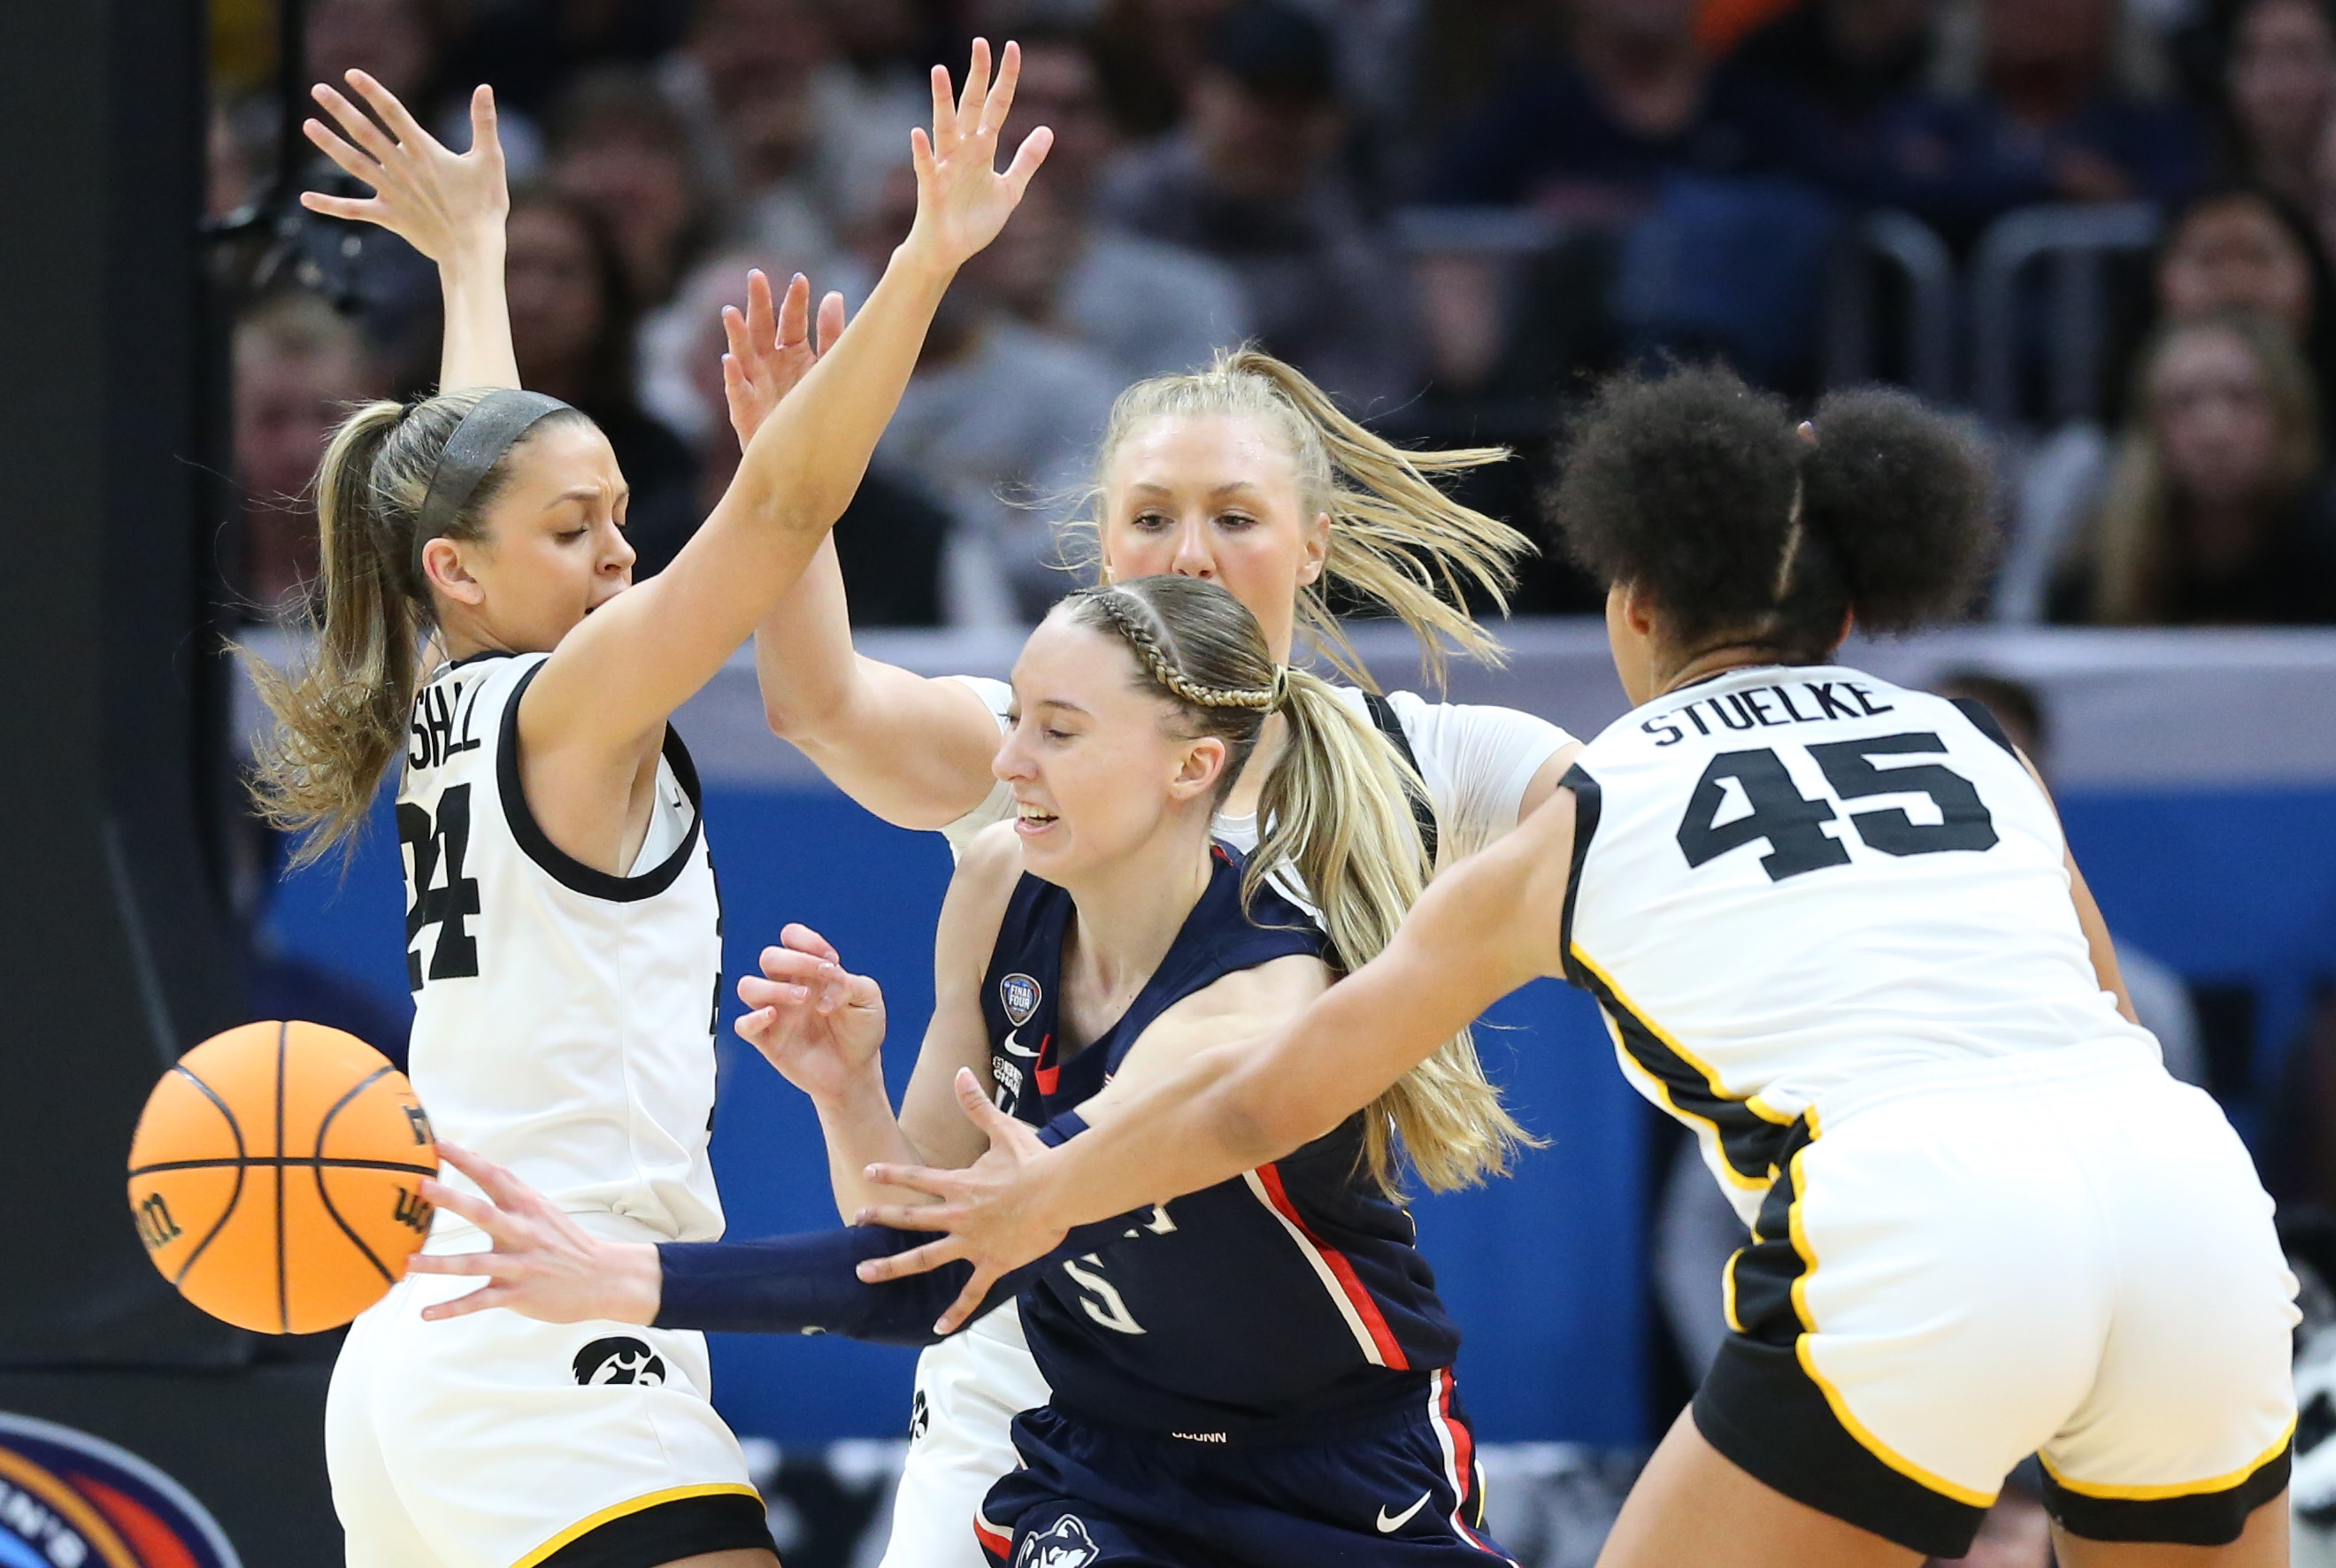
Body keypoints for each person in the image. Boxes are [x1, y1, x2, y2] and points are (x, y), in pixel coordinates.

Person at [860, 365, 2300, 1568]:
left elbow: (1262, 1101)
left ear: (1630, 604)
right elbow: (2112, 1018)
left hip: (1927, 1211)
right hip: (2188, 1202)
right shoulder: (1976, 744)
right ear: (1851, 619)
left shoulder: (1594, 806)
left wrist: (1046, 1186)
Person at [258, 49, 1050, 1568]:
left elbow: (477, 481)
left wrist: (469, 261)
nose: (619, 555)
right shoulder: (571, 701)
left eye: (624, 516)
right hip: (555, 1329)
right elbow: (778, 512)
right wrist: (922, 263)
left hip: (427, 1340)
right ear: (464, 573)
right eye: (582, 530)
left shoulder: (460, 682)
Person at [406, 573, 1533, 1567]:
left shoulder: (1251, 1002)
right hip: (1109, 1465)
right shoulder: (998, 887)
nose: (1008, 762)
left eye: (1057, 730)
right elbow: (914, 1265)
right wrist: (847, 1088)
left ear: (1193, 766)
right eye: (1016, 719)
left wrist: (631, 1278)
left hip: (1335, 1467)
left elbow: (968, 1260)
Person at [734, 345, 1577, 1562]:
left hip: (1283, 1380)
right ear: (1103, 544)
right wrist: (790, 480)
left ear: (1315, 543)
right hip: (1034, 1374)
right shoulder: (1028, 734)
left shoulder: (1433, 761)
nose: (1191, 553)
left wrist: (1764, 591)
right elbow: (819, 704)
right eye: (1151, 517)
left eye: (1236, 517)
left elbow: (1653, 821)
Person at [2052, 309, 2336, 624]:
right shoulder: (2099, 559)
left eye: (2242, 398)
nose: (2214, 432)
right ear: (2148, 427)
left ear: (2289, 415)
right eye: (2183, 401)